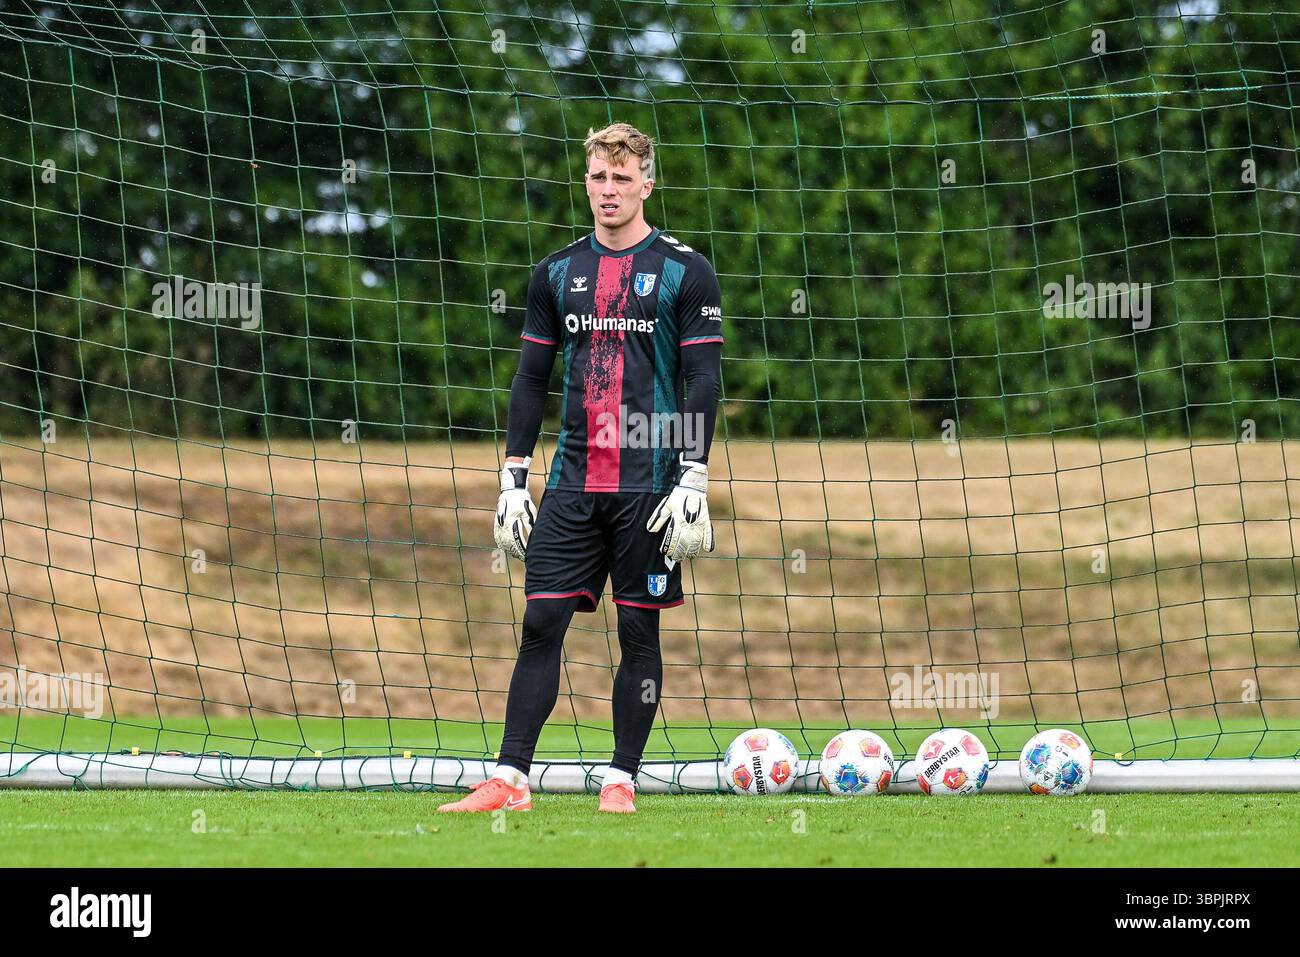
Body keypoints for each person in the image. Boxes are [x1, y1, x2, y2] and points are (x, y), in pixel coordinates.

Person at [439, 122, 723, 814]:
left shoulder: (687, 271)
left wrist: (693, 473)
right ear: (586, 181)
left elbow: (704, 377)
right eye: (598, 176)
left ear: (647, 184)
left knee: (638, 631)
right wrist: (512, 477)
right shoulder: (557, 273)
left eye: (622, 178)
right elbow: (531, 379)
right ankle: (509, 780)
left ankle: (621, 780)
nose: (608, 190)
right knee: (541, 623)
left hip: (650, 486)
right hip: (572, 483)